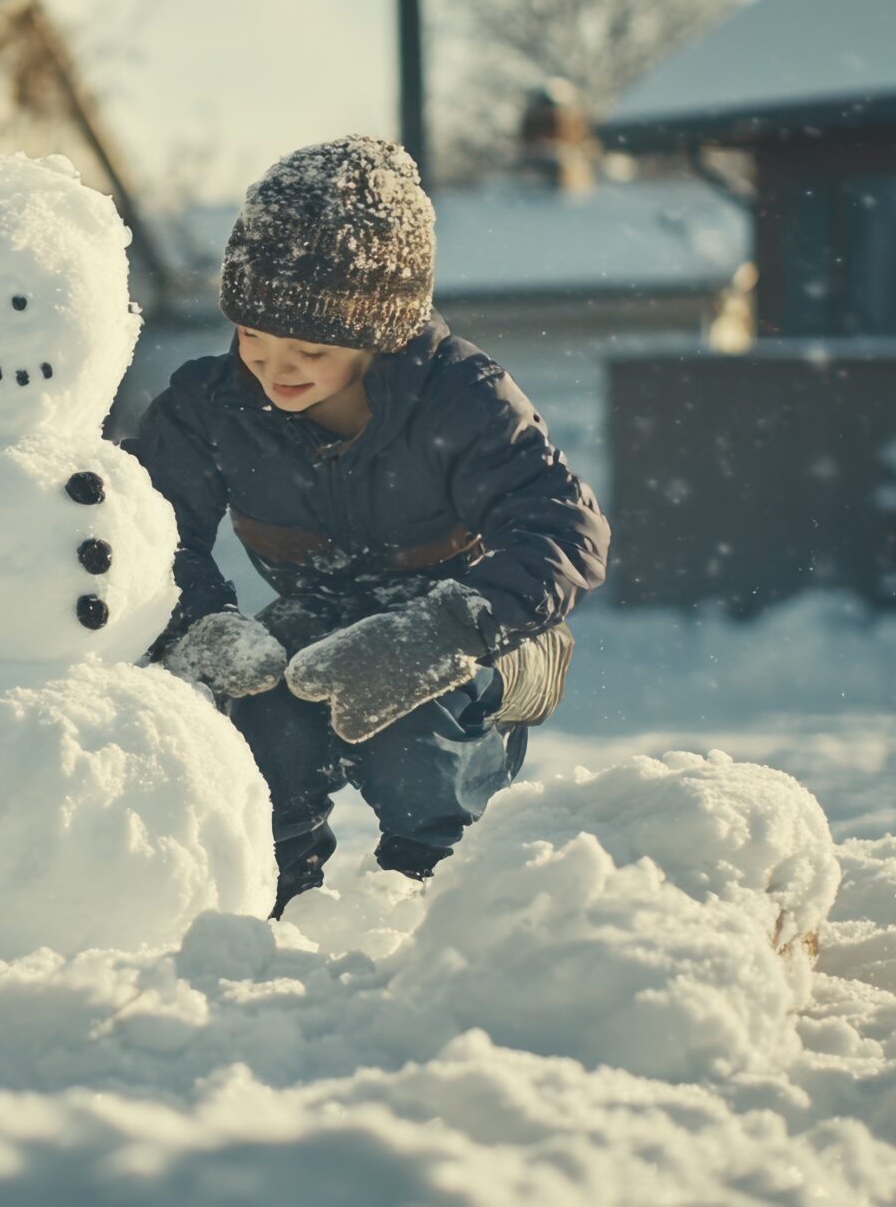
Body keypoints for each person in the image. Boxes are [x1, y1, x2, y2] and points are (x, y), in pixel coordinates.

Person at [125, 135, 611, 914]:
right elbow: (147, 525)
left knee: (415, 743)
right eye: (252, 335)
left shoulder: (462, 400)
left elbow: (562, 527)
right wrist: (197, 621)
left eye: (308, 347)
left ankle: (429, 891)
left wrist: (444, 629)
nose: (272, 366)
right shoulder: (210, 407)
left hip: (474, 631)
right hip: (318, 611)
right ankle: (269, 886)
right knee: (262, 718)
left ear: (376, 330)